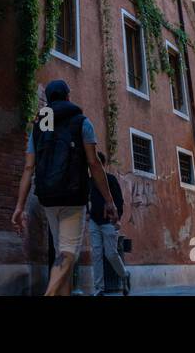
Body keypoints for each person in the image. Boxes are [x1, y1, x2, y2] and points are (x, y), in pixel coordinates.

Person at [12, 79, 117, 296]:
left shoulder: (40, 125)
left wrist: (19, 207)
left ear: (49, 99)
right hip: (73, 197)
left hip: (48, 197)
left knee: (62, 253)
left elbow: (28, 168)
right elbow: (94, 164)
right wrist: (109, 200)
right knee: (68, 254)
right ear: (67, 97)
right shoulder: (81, 122)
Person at [87, 152, 129, 295]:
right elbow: (87, 199)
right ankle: (99, 288)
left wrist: (117, 219)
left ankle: (124, 275)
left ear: (102, 164)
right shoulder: (90, 181)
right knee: (97, 254)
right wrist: (88, 213)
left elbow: (119, 201)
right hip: (94, 221)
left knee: (111, 254)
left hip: (109, 222)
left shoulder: (111, 180)